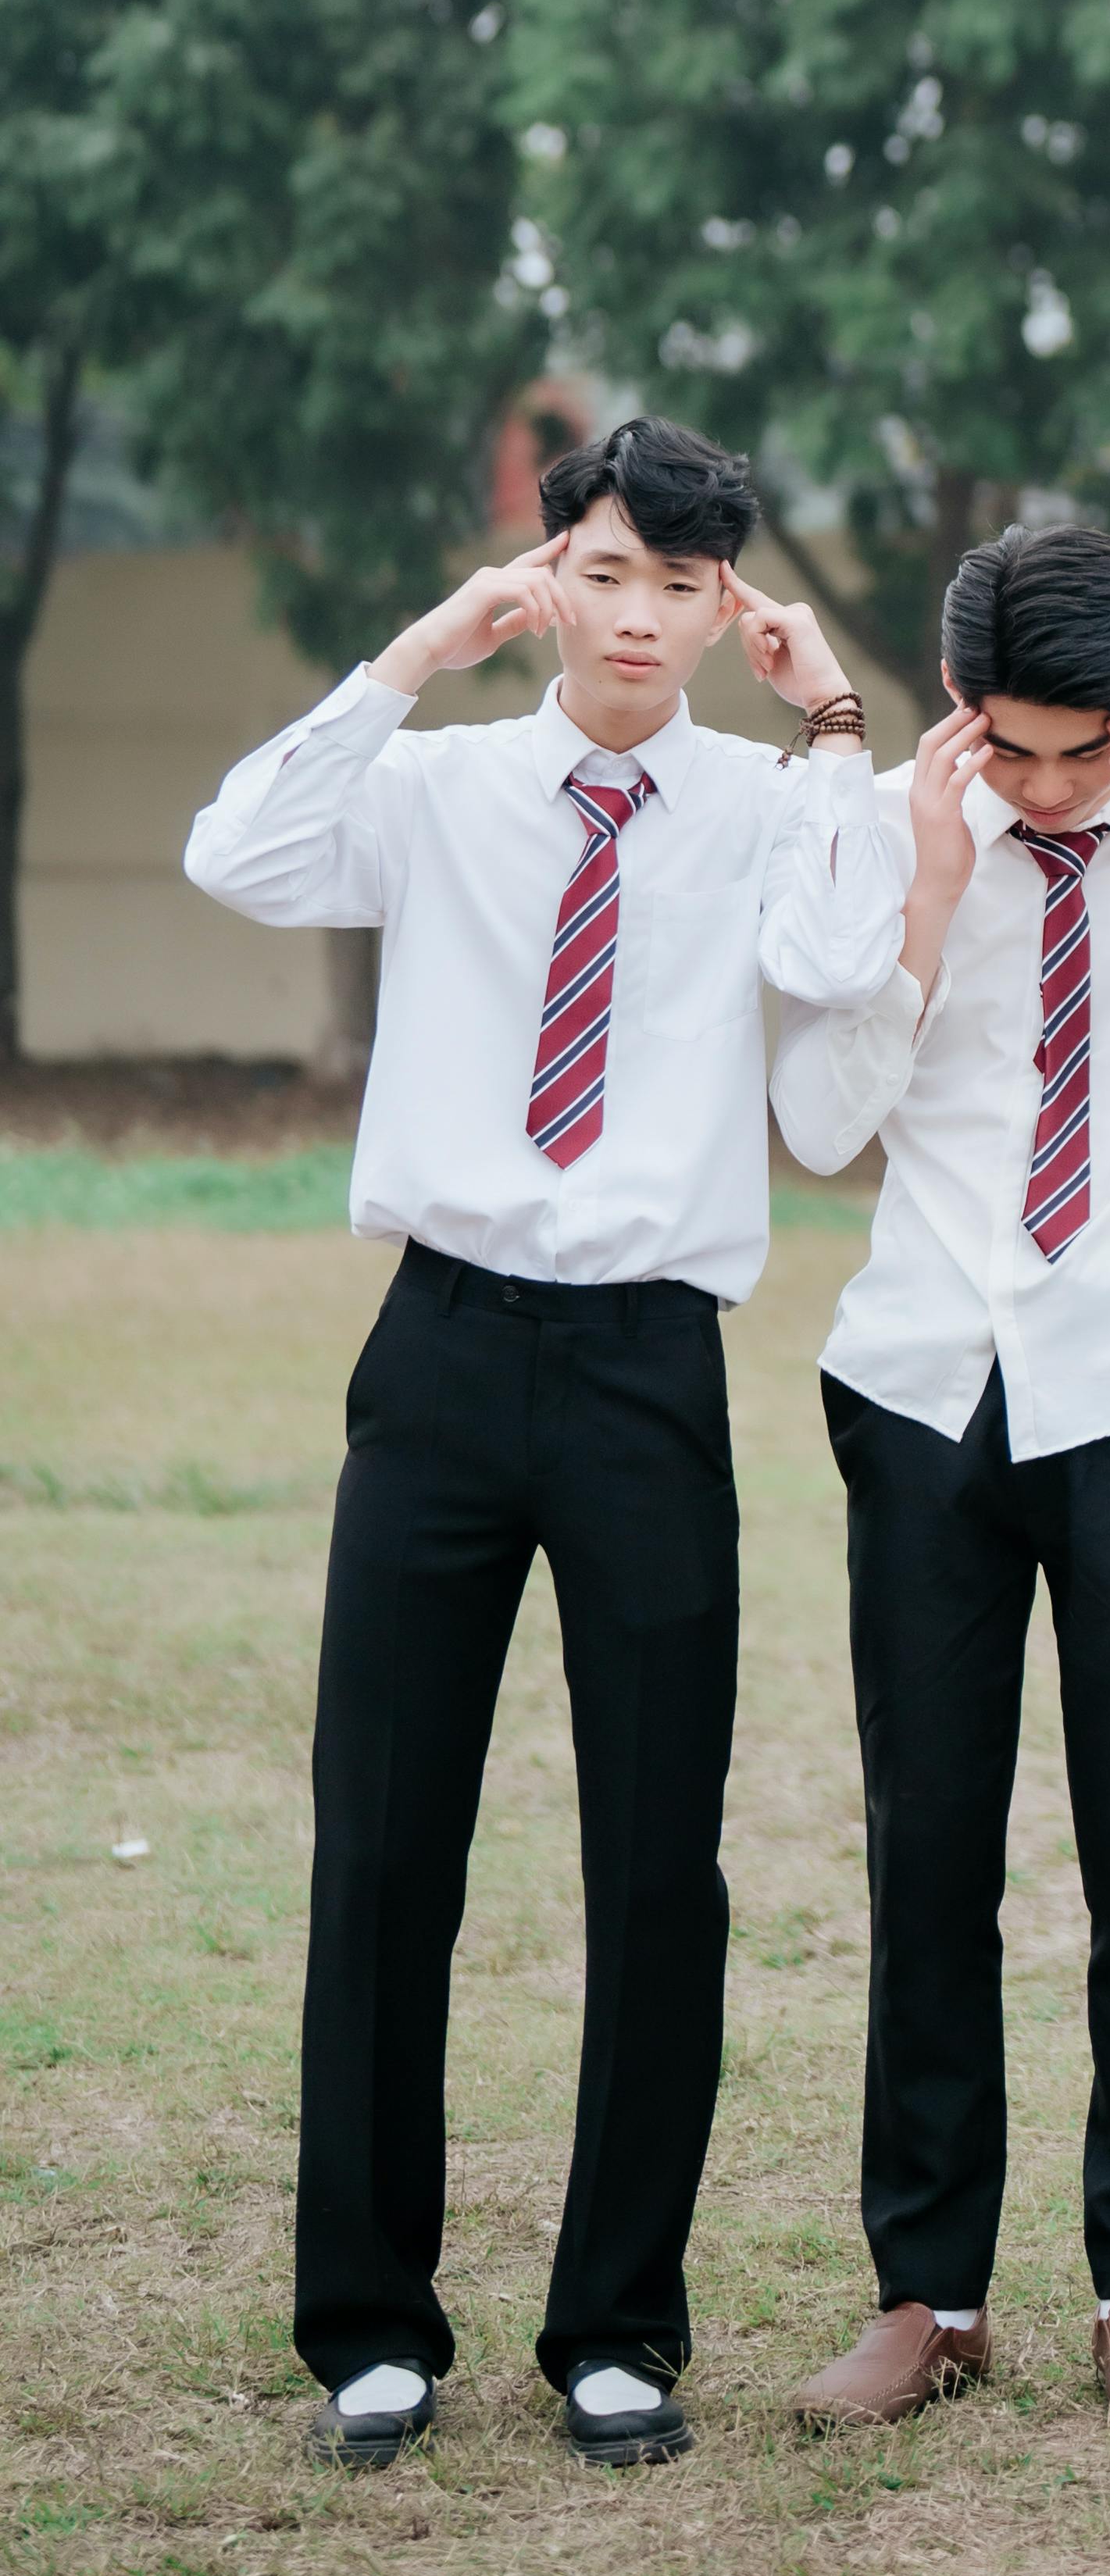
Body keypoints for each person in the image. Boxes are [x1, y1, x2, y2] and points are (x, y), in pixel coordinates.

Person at [180, 415, 900, 2471]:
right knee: (387, 1836)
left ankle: (615, 2324)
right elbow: (239, 850)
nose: (639, 616)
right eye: (602, 569)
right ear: (546, 577)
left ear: (722, 603)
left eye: (681, 583)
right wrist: (425, 643)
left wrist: (836, 710)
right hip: (444, 1347)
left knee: (653, 1856)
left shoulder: (768, 799)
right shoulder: (439, 782)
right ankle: (372, 2319)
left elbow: (847, 958)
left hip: (647, 1367)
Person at [771, 514, 1110, 2437]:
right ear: (955, 707)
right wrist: (923, 889)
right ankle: (926, 2287)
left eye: (1088, 749)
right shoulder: (894, 819)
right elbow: (819, 1122)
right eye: (1014, 748)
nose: (1051, 785)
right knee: (931, 1850)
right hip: (927, 1380)